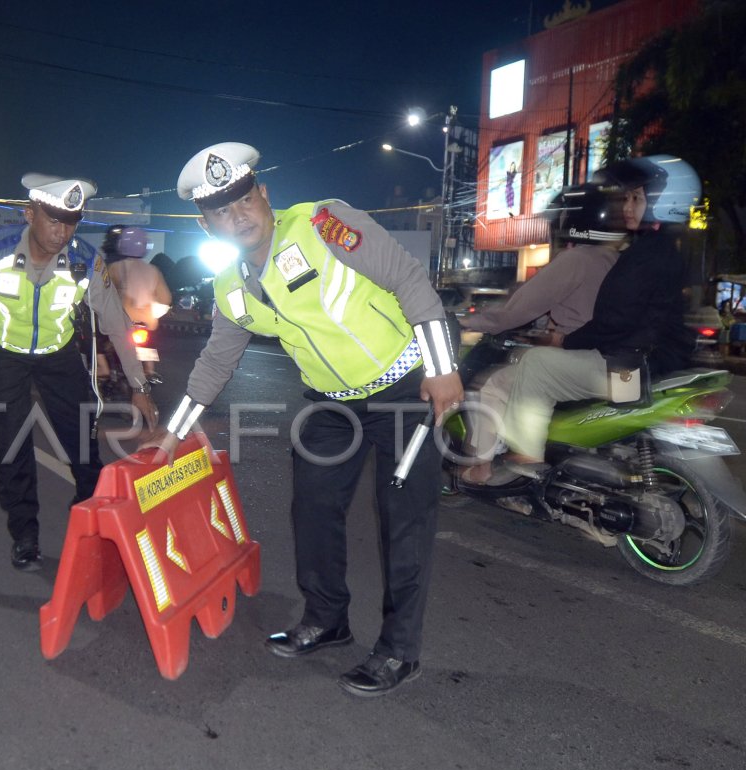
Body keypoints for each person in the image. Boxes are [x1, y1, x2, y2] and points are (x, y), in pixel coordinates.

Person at [149, 143, 463, 698]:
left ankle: (399, 651)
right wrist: (175, 429)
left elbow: (410, 281)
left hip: (407, 384)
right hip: (331, 403)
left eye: (243, 200)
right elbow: (217, 359)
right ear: (206, 222)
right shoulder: (230, 286)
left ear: (264, 195)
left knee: (403, 518)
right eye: (221, 211)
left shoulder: (323, 225)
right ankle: (326, 619)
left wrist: (441, 368)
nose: (237, 216)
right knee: (313, 508)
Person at [0, 173, 158, 571]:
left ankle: (93, 522)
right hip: (3, 354)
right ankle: (25, 535)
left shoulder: (85, 260)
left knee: (83, 444)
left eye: (71, 221)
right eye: (53, 219)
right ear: (29, 214)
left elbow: (116, 322)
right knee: (13, 447)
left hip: (58, 355)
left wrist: (139, 384)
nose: (62, 231)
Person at [500, 155, 700, 473]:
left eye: (637, 198)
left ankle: (526, 459)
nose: (627, 207)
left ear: (664, 202)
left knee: (535, 365)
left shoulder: (645, 256)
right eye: (628, 198)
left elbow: (615, 321)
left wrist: (564, 340)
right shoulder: (662, 251)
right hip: (645, 363)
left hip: (629, 371)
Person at [457, 183, 627, 485]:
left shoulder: (576, 260)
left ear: (571, 220)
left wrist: (470, 323)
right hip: (615, 361)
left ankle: (484, 466)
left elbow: (516, 311)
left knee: (493, 384)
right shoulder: (615, 259)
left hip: (583, 359)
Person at [101, 225, 171, 384]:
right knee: (150, 341)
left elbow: (104, 292)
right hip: (147, 322)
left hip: (124, 320)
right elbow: (166, 298)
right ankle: (150, 370)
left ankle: (104, 368)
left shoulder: (115, 268)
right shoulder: (153, 270)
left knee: (102, 339)